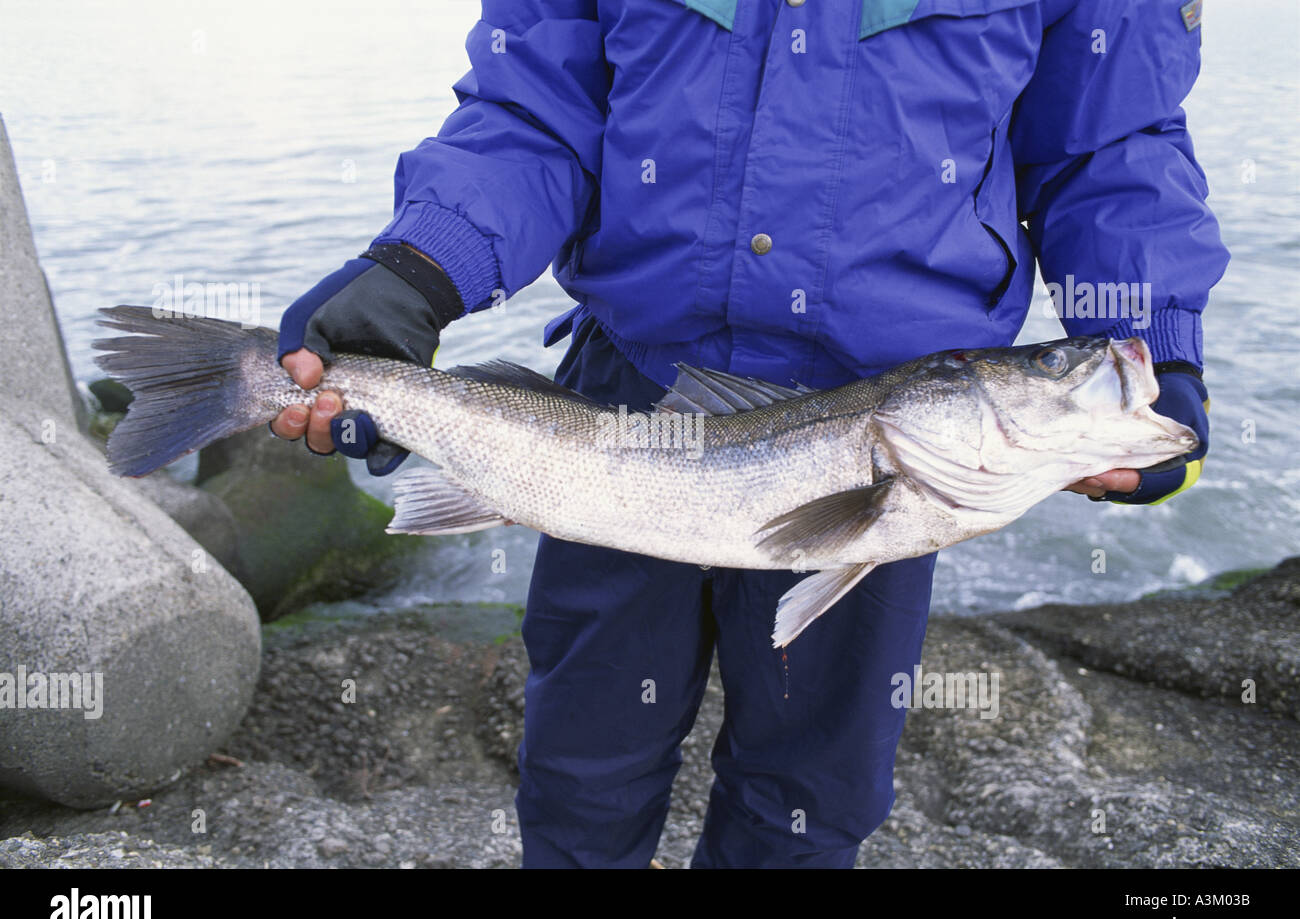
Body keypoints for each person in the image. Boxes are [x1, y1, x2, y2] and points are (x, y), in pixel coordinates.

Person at [270, 0, 1229, 867]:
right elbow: (538, 103)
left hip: (883, 409)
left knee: (808, 803)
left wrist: (1162, 345)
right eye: (1058, 372)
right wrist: (420, 265)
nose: (1084, 373)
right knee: (579, 770)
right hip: (628, 392)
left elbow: (1112, 147)